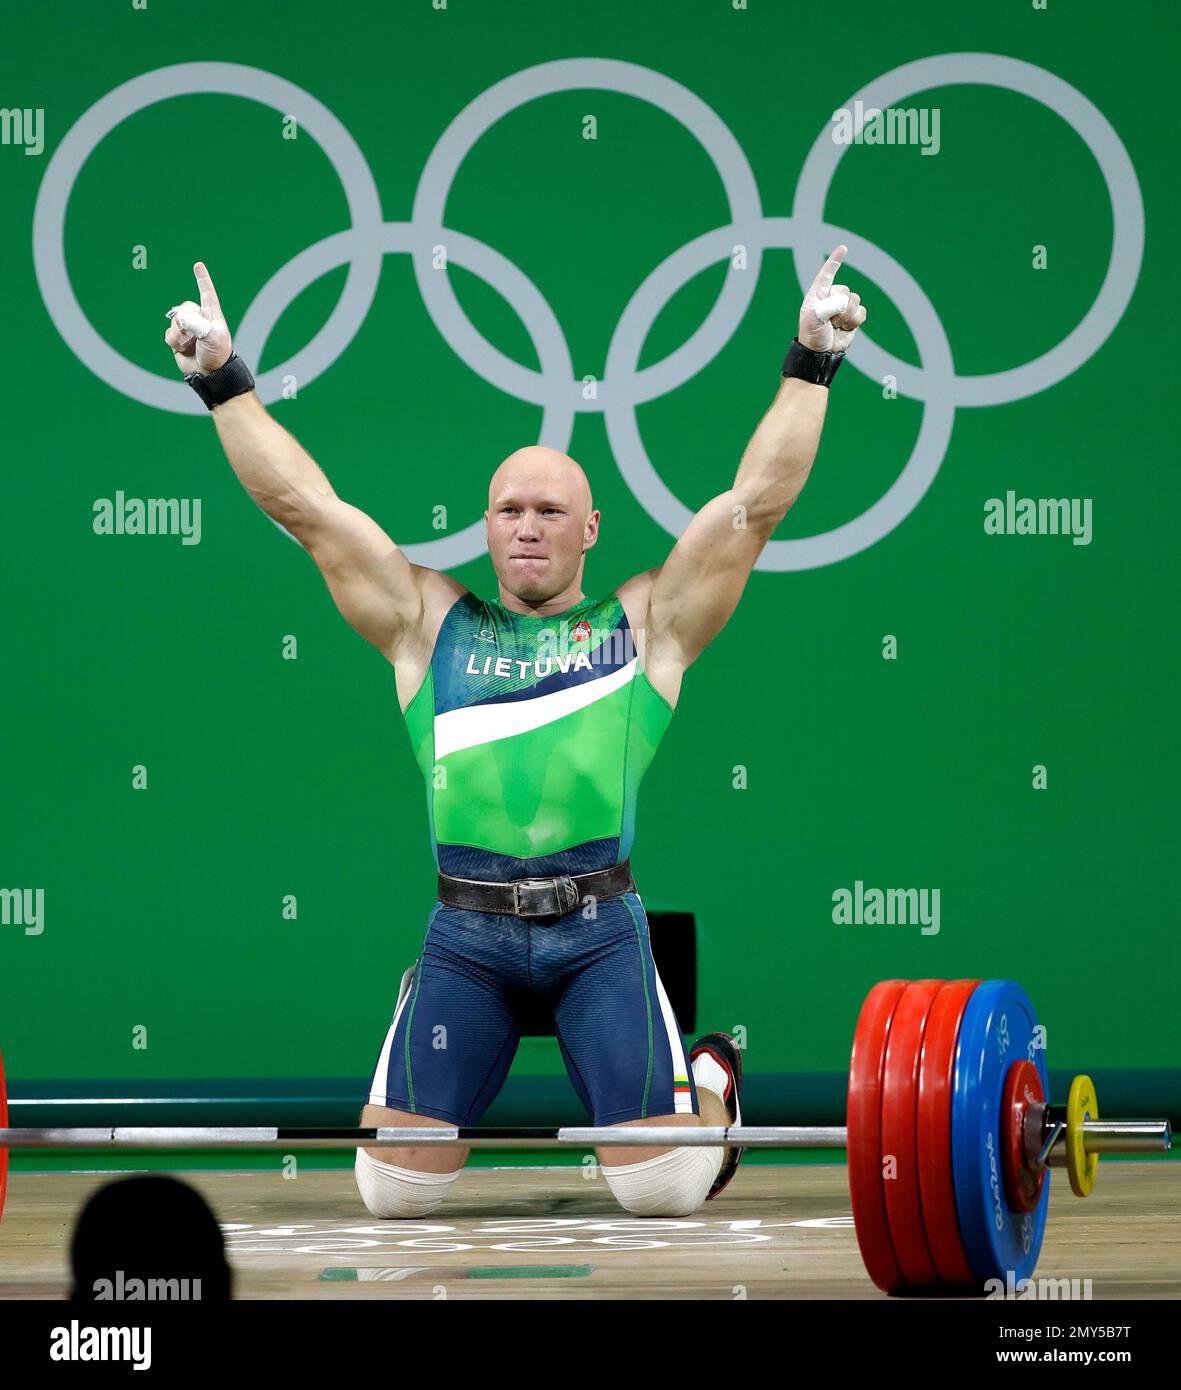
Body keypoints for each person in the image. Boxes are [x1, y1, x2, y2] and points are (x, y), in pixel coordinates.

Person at [164, 248, 866, 1219]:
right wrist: (219, 378)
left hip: (597, 933)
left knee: (660, 1187)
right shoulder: (426, 625)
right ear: (484, 528)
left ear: (589, 529)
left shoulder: (644, 626)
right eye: (507, 510)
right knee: (392, 1192)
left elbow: (751, 509)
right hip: (467, 935)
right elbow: (307, 510)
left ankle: (706, 1076)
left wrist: (812, 357)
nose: (526, 526)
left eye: (549, 511)